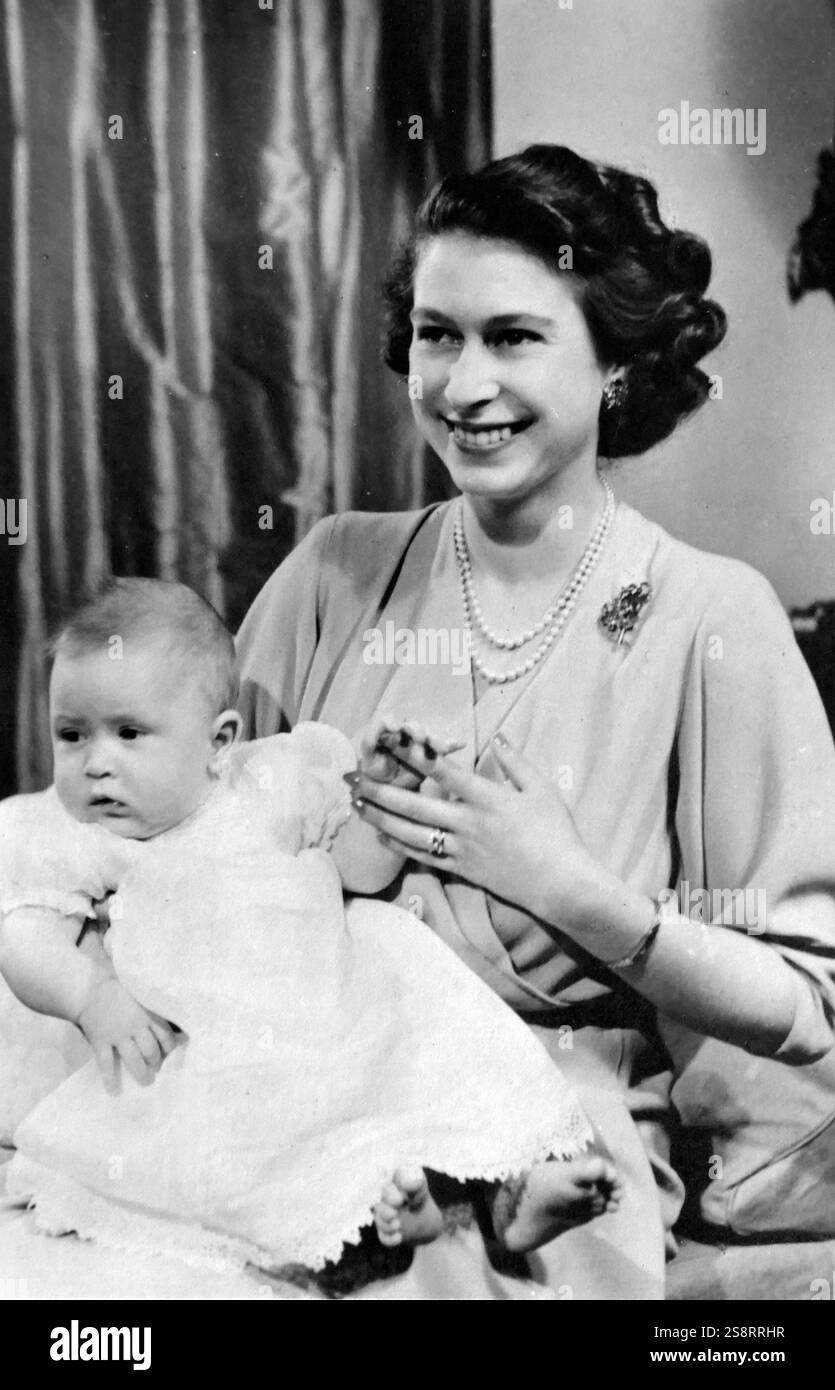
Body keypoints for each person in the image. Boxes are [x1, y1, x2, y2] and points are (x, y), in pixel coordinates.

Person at [235, 144, 835, 1299]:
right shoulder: (331, 573)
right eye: (435, 334)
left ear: (614, 365)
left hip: (544, 1157)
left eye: (513, 336)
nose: (462, 385)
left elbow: (808, 1004)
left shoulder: (712, 617)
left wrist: (568, 888)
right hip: (299, 1101)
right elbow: (195, 849)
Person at [0, 577, 621, 1292]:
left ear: (219, 741)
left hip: (337, 1009)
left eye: (128, 733)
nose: (95, 763)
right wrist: (91, 994)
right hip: (208, 1046)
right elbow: (26, 935)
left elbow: (358, 868)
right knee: (245, 1164)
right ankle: (392, 1232)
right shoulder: (86, 834)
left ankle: (507, 1190)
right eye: (71, 735)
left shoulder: (274, 778)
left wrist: (381, 788)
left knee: (436, 1042)